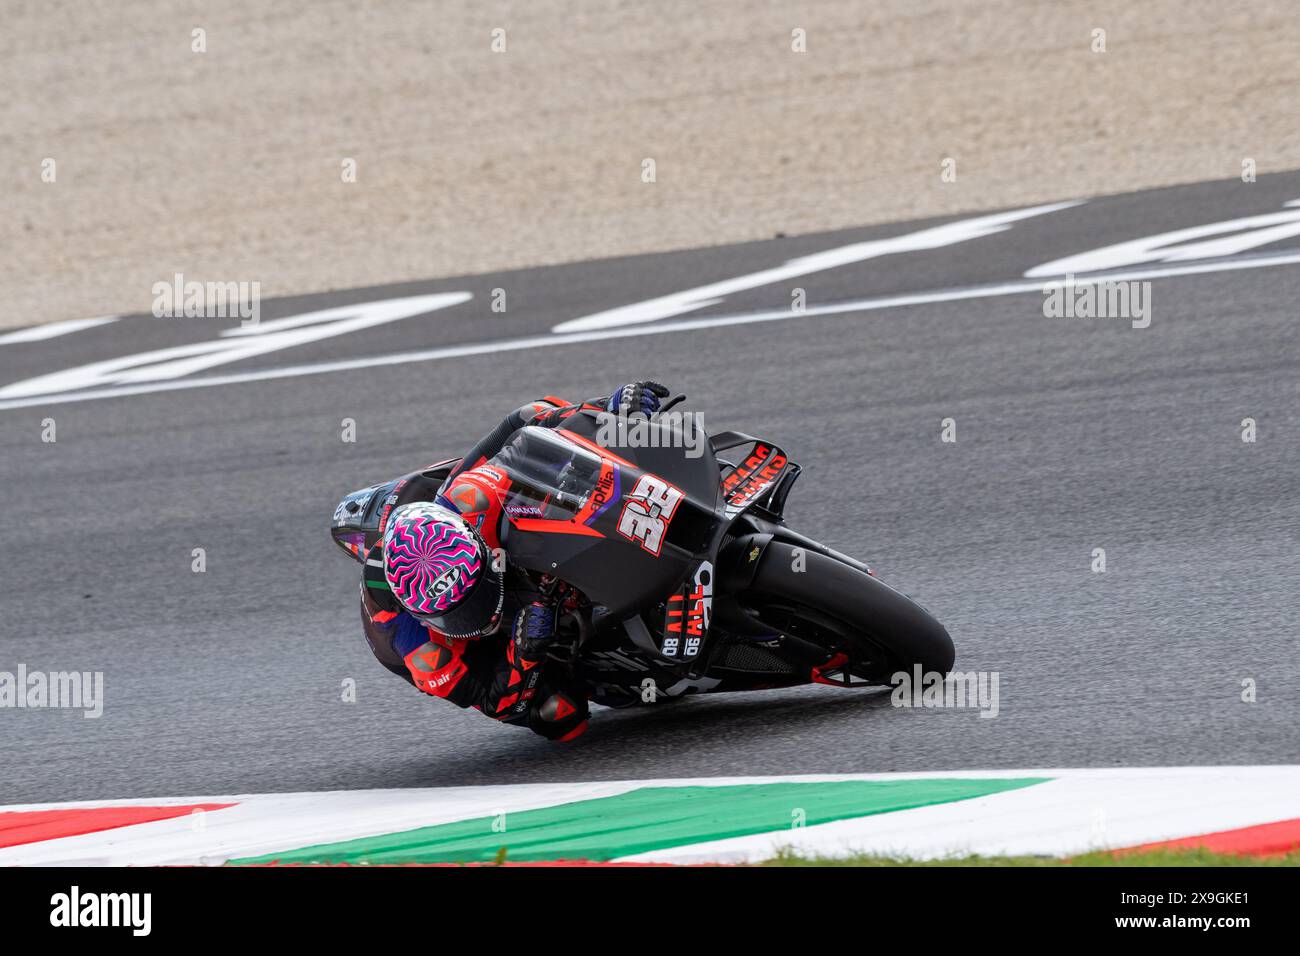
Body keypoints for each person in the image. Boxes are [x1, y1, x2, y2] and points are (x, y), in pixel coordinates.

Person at [358, 382, 669, 741]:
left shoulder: (469, 498)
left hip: (460, 525)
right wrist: (524, 652)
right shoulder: (422, 651)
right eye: (461, 609)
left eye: (476, 596)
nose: (481, 612)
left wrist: (608, 409)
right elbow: (496, 702)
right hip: (489, 653)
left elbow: (532, 421)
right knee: (560, 715)